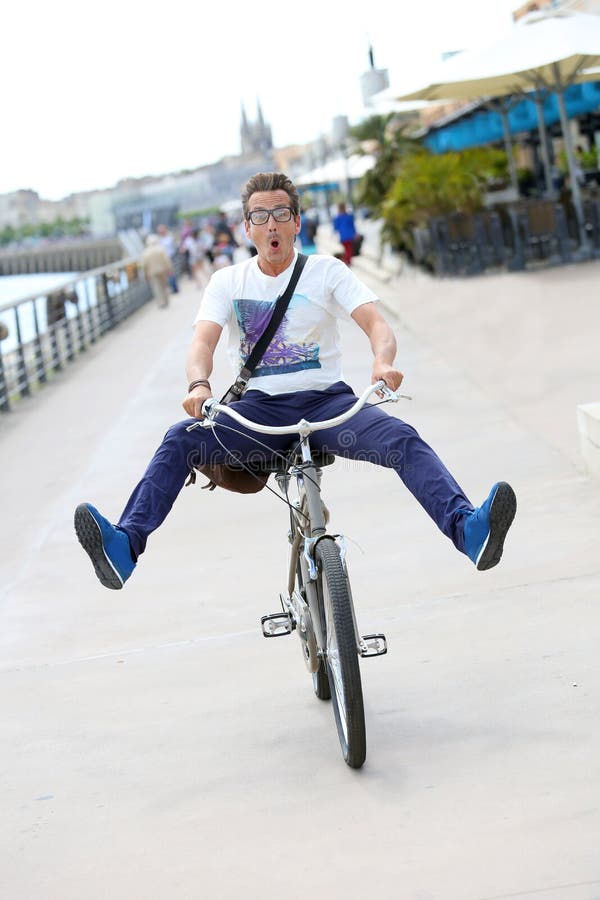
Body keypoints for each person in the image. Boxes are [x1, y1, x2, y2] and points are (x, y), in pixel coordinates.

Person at [74, 171, 516, 590]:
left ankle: (469, 532)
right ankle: (124, 547)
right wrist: (199, 386)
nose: (272, 225)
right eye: (260, 216)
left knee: (402, 439)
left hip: (329, 407)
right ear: (247, 228)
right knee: (180, 439)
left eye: (281, 214)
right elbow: (202, 345)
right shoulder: (227, 281)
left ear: (297, 222)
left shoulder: (326, 272)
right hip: (257, 414)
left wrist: (382, 363)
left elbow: (376, 324)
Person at [141, 234, 172, 308]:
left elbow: (144, 265)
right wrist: (169, 269)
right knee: (164, 285)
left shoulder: (146, 252)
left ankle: (161, 302)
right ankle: (166, 300)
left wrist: (145, 274)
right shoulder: (161, 249)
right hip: (163, 270)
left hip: (152, 272)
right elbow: (166, 260)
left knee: (156, 288)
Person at [157, 224, 179, 294]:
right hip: (164, 259)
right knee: (169, 274)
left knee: (171, 273)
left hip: (171, 257)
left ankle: (174, 287)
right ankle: (174, 287)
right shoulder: (159, 240)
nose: (161, 232)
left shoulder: (170, 237)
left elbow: (174, 245)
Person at [333, 202, 357, 266]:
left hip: (343, 236)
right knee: (349, 249)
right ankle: (348, 261)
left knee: (346, 249)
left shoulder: (337, 218)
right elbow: (353, 226)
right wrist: (355, 234)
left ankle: (347, 261)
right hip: (350, 235)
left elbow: (335, 228)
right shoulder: (349, 216)